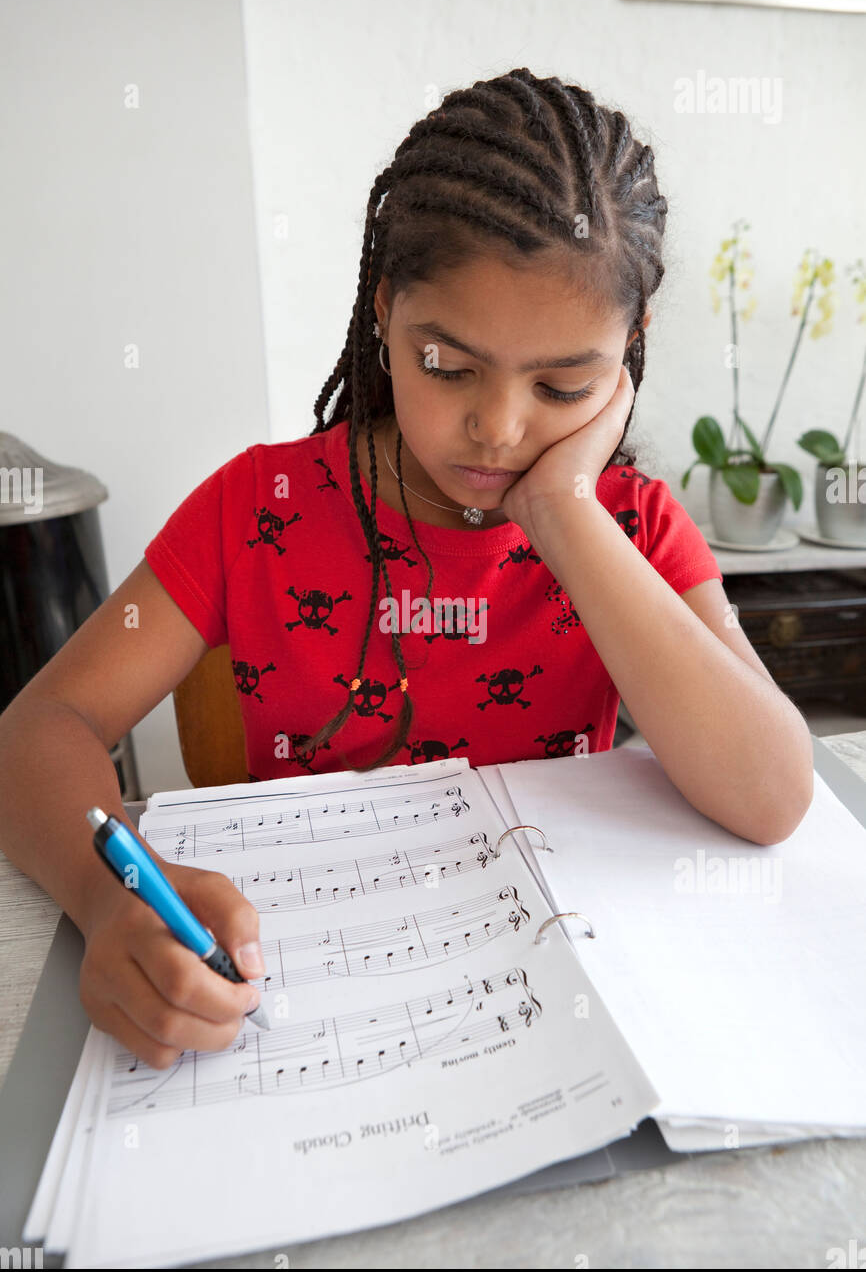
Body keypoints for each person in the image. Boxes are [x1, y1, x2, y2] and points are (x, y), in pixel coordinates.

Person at [0, 68, 813, 1070]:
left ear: (627, 354)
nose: (499, 429)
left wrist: (560, 514)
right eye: (447, 365)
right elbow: (38, 728)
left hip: (548, 1020)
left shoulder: (629, 529)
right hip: (314, 1018)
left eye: (563, 385)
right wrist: (106, 897)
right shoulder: (257, 511)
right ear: (383, 312)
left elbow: (772, 794)